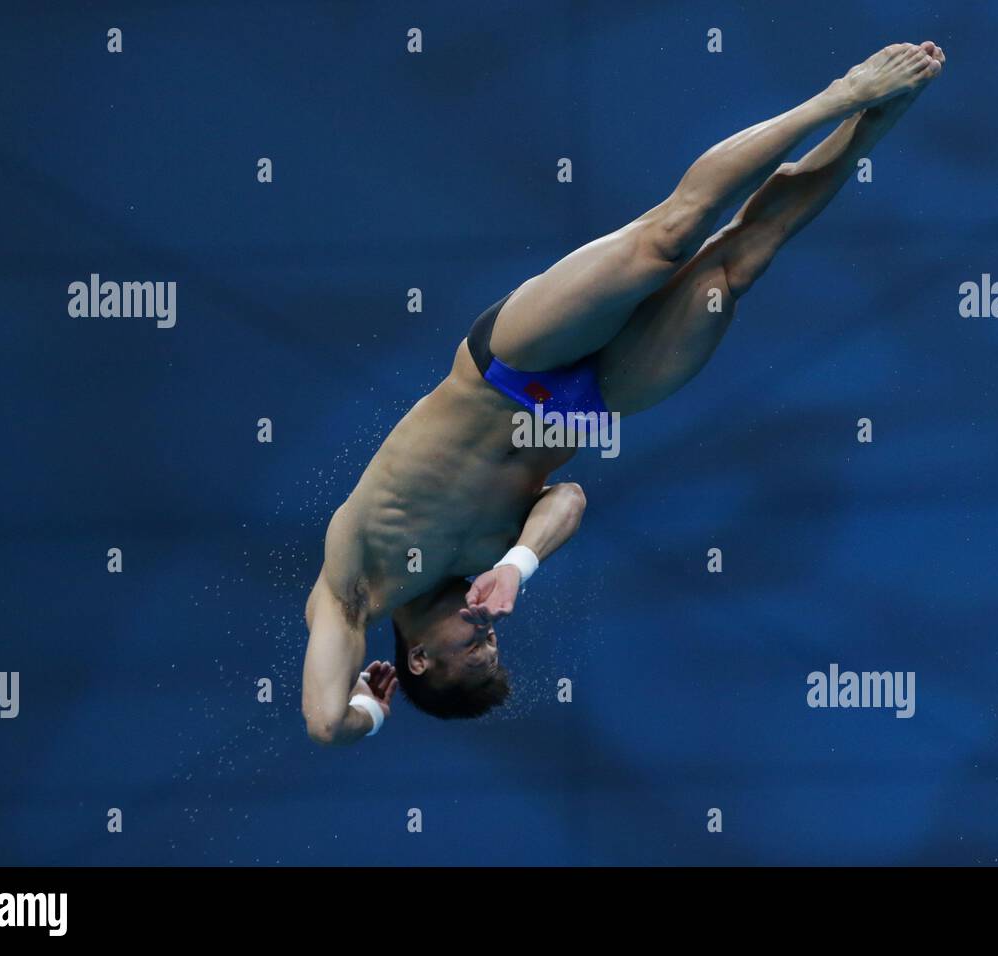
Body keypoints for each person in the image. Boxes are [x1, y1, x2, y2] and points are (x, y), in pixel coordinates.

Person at [301, 41, 946, 744]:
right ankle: (874, 124)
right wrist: (519, 566)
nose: (489, 630)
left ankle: (842, 94)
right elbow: (569, 498)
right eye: (494, 647)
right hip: (591, 405)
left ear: (419, 658)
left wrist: (368, 706)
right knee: (737, 264)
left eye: (473, 647)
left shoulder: (357, 587)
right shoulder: (494, 569)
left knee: (666, 238)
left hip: (511, 367)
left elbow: (323, 725)